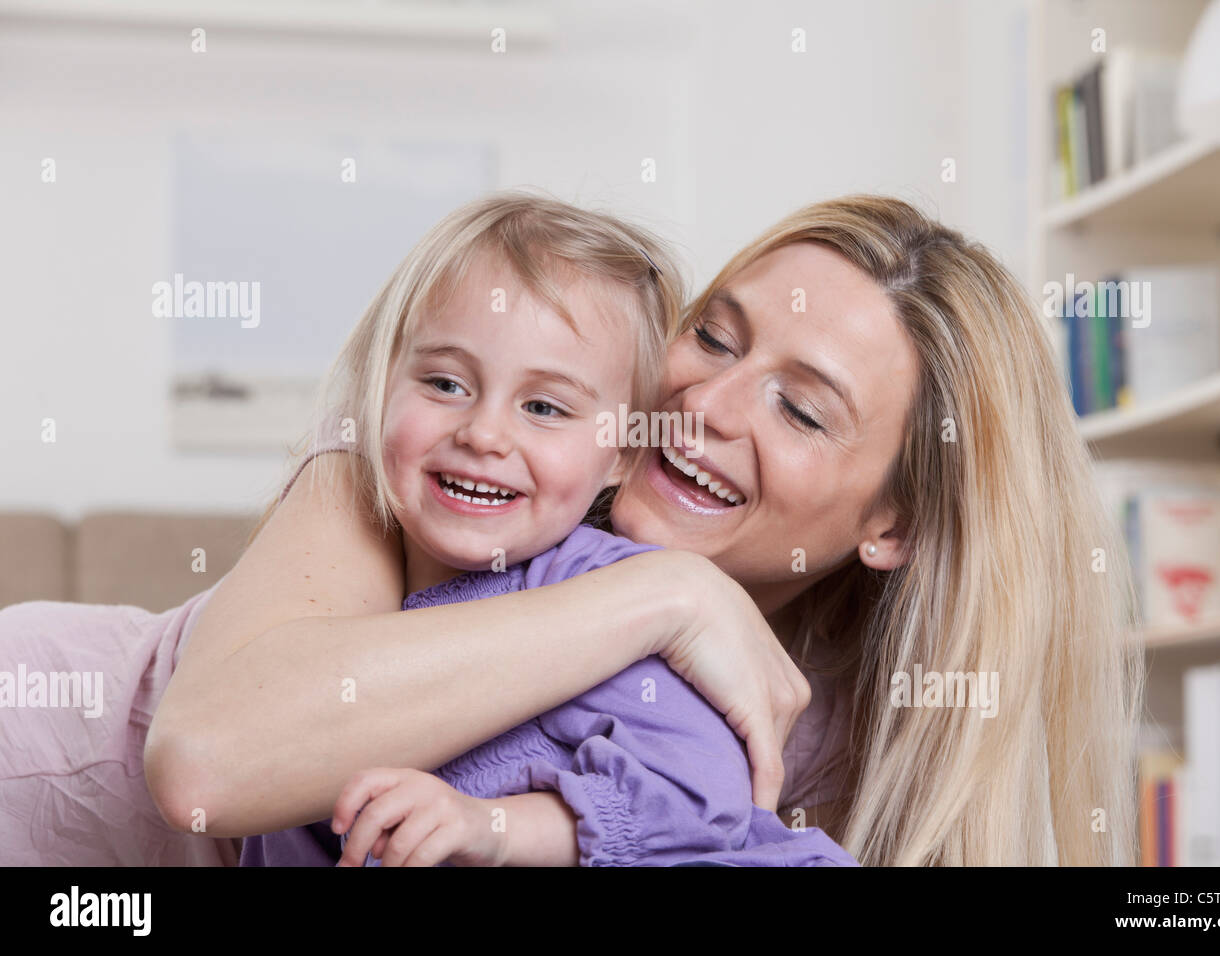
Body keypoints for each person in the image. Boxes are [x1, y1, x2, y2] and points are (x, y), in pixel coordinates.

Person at [145, 194, 1142, 866]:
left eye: (799, 410)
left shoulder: (837, 735)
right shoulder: (413, 475)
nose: (706, 401)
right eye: (712, 334)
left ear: (894, 524)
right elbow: (206, 766)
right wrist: (668, 595)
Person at [233, 191, 854, 866]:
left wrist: (491, 828)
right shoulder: (334, 615)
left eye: (544, 407)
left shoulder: (602, 592)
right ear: (381, 389)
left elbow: (703, 797)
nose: (483, 433)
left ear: (620, 453)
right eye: (444, 384)